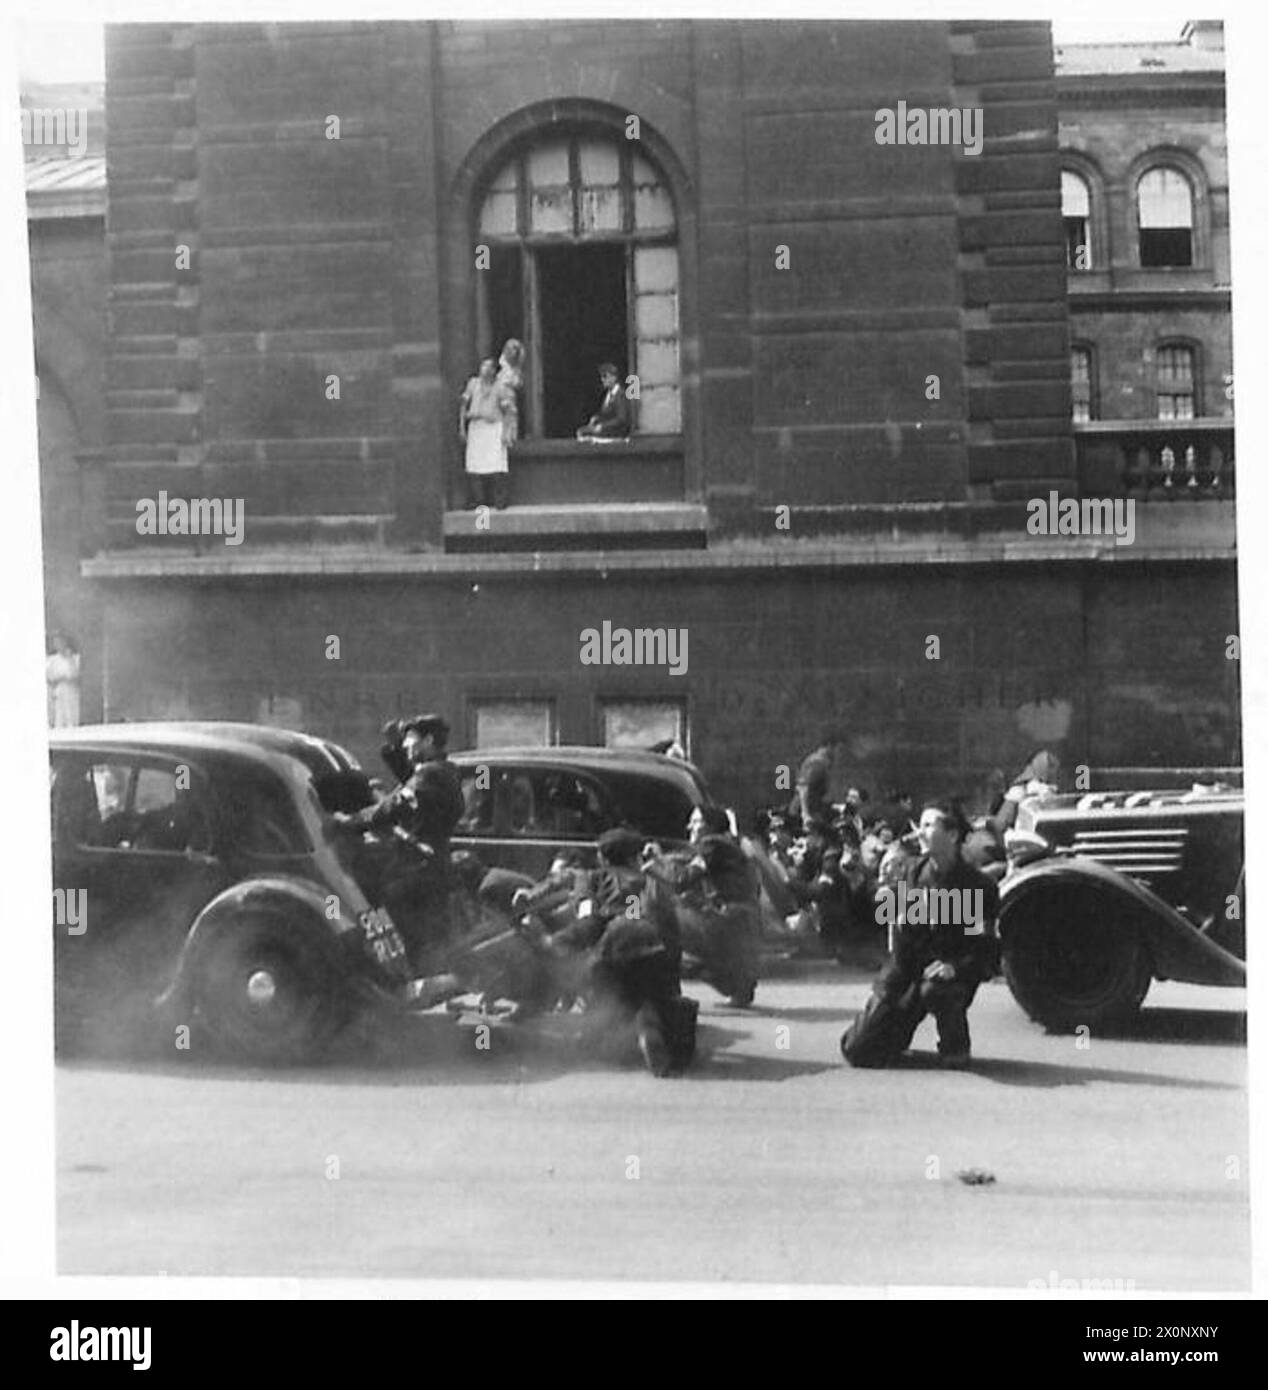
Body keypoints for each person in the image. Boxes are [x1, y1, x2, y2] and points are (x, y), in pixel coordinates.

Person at [842, 799, 999, 1069]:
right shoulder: (909, 874)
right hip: (905, 972)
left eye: (928, 825)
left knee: (939, 991)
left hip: (946, 978)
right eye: (920, 825)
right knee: (858, 1050)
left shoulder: (977, 887)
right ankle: (896, 1033)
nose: (920, 832)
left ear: (951, 834)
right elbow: (876, 918)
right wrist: (864, 890)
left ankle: (955, 1044)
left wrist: (955, 967)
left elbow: (984, 948)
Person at [546, 828, 694, 1075]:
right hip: (656, 945)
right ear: (634, 858)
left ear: (603, 857)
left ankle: (599, 1032)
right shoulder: (650, 879)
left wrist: (558, 942)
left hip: (615, 941)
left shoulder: (593, 877)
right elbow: (663, 921)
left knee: (599, 989)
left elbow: (588, 919)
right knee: (651, 994)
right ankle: (648, 1021)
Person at [333, 714, 464, 969]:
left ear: (428, 740)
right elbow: (410, 780)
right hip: (431, 864)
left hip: (418, 868)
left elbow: (393, 806)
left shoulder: (432, 775)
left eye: (411, 739)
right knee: (424, 932)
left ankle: (393, 973)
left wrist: (350, 821)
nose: (406, 745)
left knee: (381, 911)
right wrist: (394, 746)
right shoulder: (441, 772)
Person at [459, 357, 514, 510]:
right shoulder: (473, 384)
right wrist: (462, 427)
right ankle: (478, 500)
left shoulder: (500, 387)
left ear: (493, 372)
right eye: (484, 366)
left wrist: (506, 432)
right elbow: (463, 405)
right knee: (474, 464)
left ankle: (500, 500)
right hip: (476, 427)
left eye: (489, 367)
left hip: (493, 427)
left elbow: (508, 411)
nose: (485, 370)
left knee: (496, 463)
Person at [575, 362, 630, 440]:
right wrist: (596, 418)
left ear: (614, 378)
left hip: (616, 434)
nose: (602, 380)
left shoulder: (620, 394)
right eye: (601, 377)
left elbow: (621, 419)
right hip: (606, 431)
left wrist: (602, 426)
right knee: (581, 431)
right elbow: (606, 414)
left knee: (587, 435)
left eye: (605, 377)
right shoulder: (607, 394)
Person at [46, 631, 81, 728]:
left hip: (71, 691)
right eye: (56, 642)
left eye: (61, 642)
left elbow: (74, 674)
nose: (59, 645)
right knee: (59, 720)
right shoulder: (52, 660)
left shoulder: (75, 658)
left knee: (72, 719)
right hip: (58, 691)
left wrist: (69, 659)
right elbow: (49, 676)